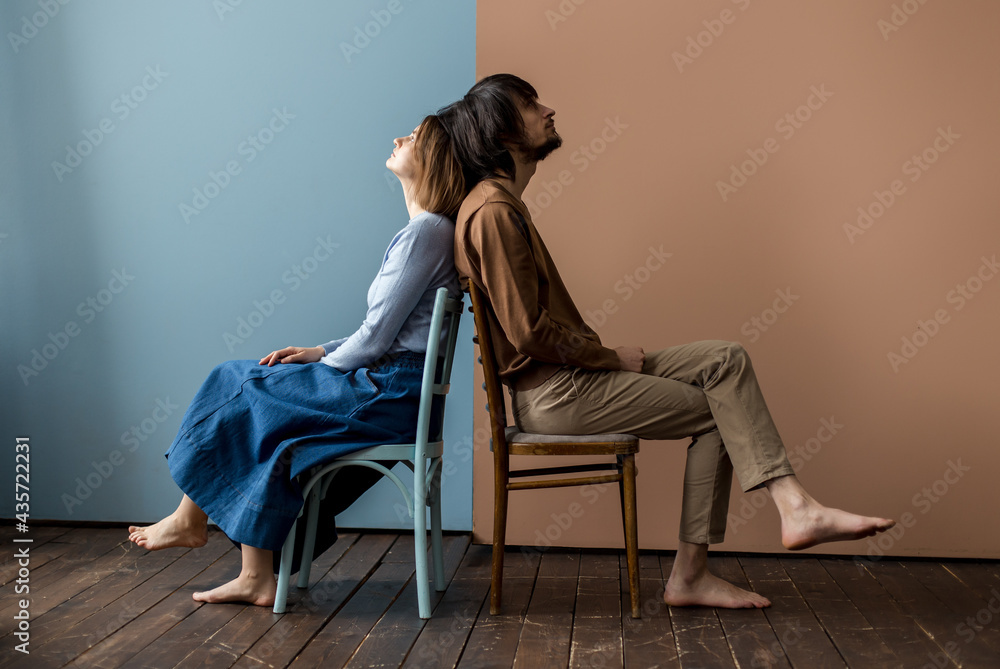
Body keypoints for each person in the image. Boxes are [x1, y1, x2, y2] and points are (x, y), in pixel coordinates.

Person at [440, 74, 896, 609]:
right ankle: (692, 575)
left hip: (573, 377)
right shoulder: (493, 211)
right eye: (529, 104)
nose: (548, 109)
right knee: (719, 413)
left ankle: (794, 505)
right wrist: (611, 358)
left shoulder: (499, 205)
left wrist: (605, 360)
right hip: (555, 394)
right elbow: (527, 333)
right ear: (502, 132)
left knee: (725, 360)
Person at [127, 114, 465, 607]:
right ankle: (247, 567)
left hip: (389, 392)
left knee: (243, 383)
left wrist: (318, 369)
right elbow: (383, 332)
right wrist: (320, 352)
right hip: (390, 385)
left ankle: (196, 524)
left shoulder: (425, 233)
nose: (397, 138)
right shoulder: (427, 232)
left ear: (433, 158)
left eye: (411, 137)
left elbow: (374, 343)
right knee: (259, 400)